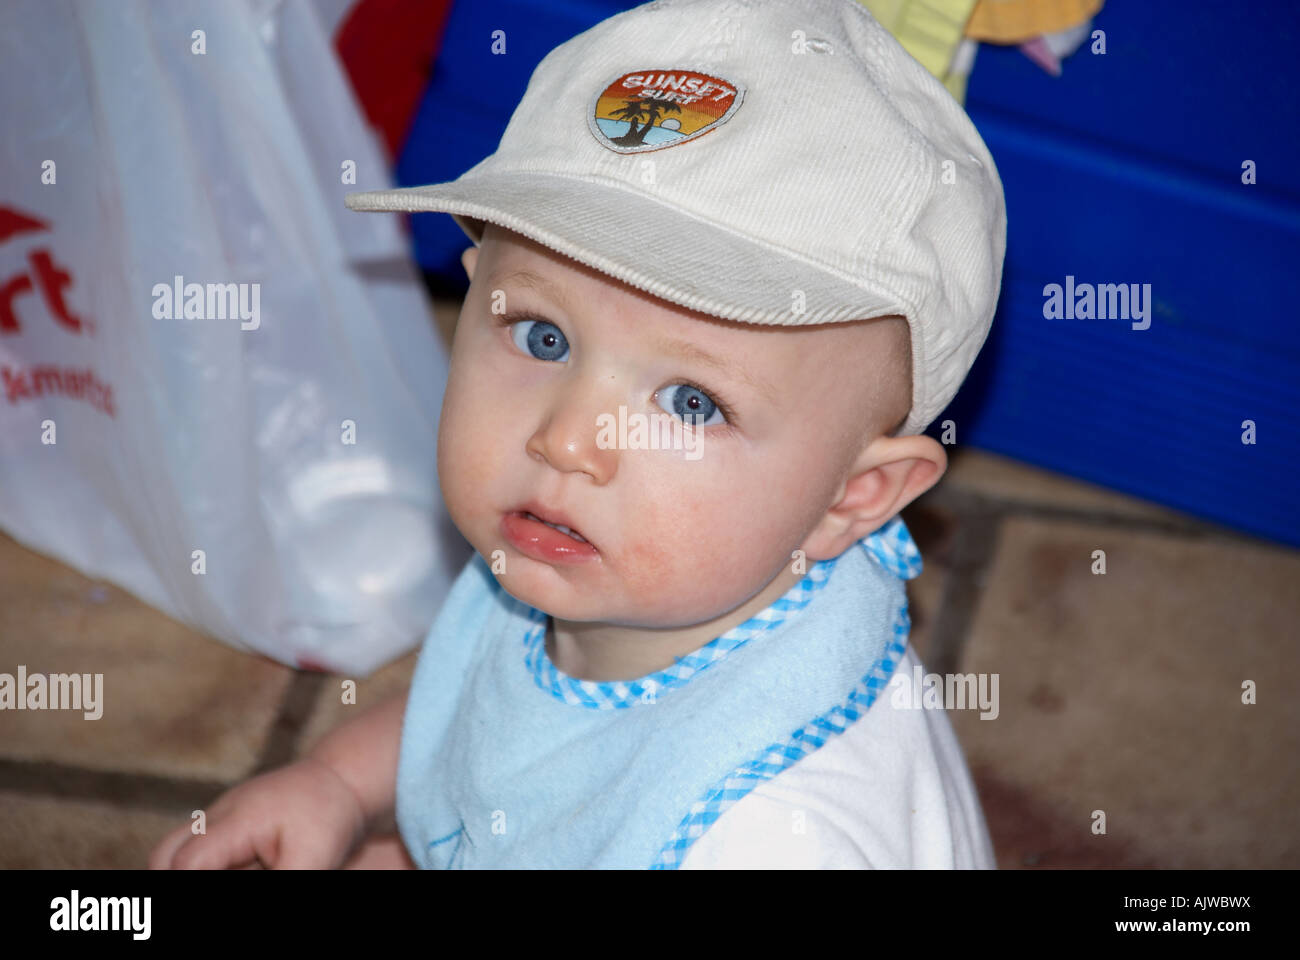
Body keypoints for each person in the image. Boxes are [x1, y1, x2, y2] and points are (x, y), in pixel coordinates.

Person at [150, 0, 1006, 869]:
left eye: (692, 403)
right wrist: (337, 784)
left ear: (851, 498)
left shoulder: (759, 833)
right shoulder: (611, 563)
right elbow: (495, 709)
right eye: (542, 337)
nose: (567, 441)